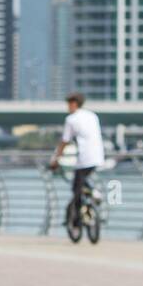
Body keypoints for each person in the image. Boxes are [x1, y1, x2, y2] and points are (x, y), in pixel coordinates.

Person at [49, 92, 105, 225]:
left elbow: (65, 141)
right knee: (83, 180)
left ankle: (78, 219)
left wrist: (55, 159)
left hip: (85, 157)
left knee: (76, 188)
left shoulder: (71, 119)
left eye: (68, 104)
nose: (67, 107)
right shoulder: (92, 116)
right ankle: (92, 195)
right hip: (98, 155)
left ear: (73, 103)